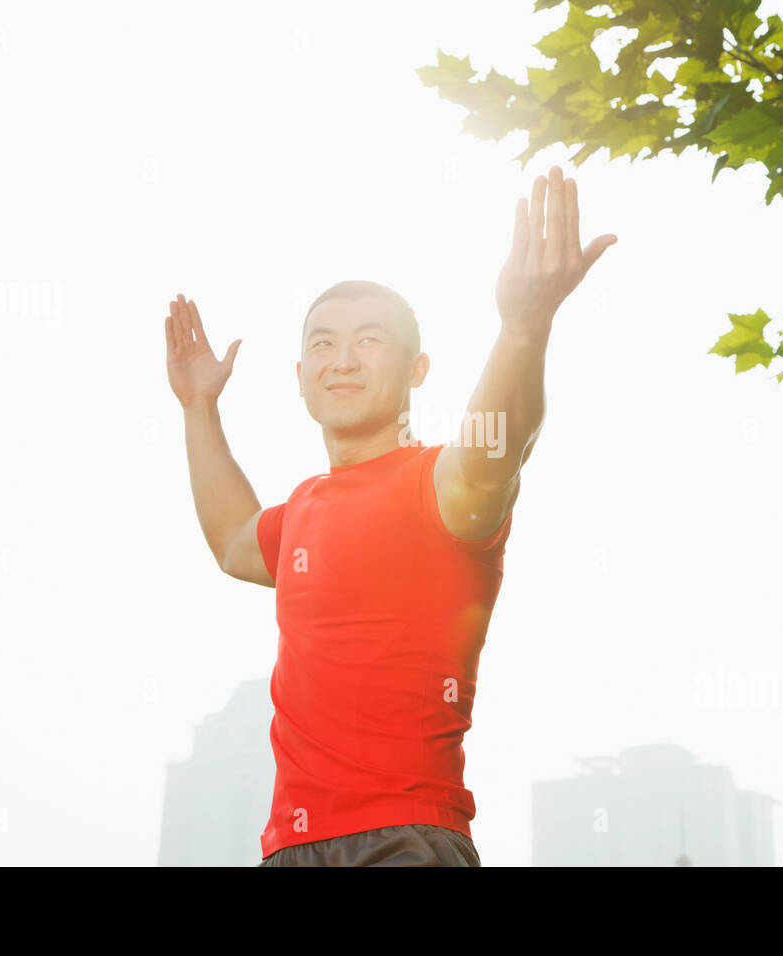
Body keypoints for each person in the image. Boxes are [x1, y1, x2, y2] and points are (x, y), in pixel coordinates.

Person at [163, 165, 617, 866]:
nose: (341, 359)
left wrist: (524, 329)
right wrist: (199, 409)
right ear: (300, 378)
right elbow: (231, 541)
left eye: (369, 340)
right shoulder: (305, 511)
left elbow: (496, 449)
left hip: (403, 841)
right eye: (321, 343)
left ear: (417, 369)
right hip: (290, 847)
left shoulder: (437, 484)